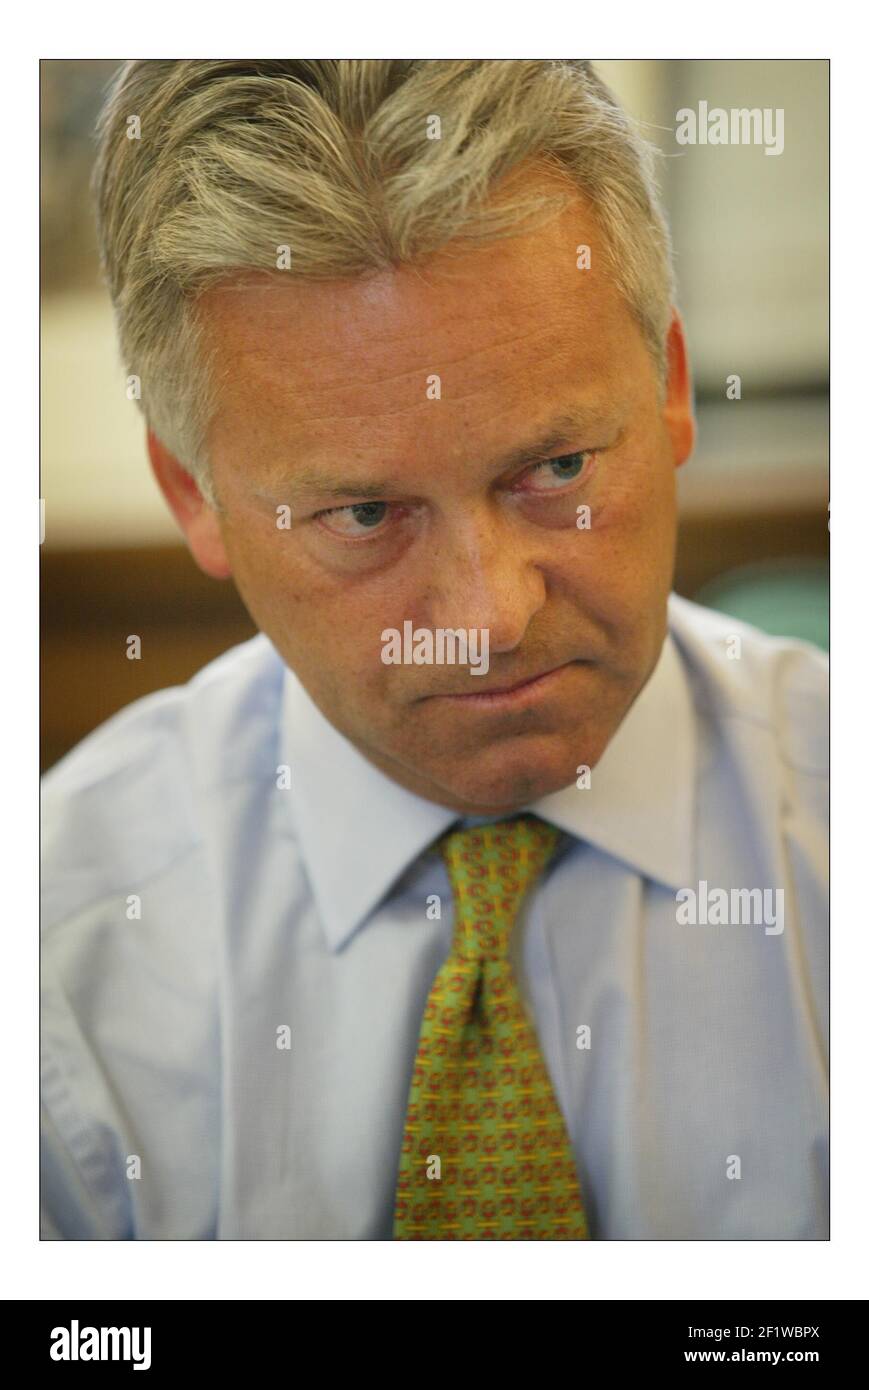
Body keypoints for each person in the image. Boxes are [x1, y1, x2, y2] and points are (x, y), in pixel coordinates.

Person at [41, 59, 828, 1240]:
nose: (487, 617)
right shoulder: (59, 970)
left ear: (668, 385)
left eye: (555, 469)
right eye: (364, 515)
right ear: (191, 494)